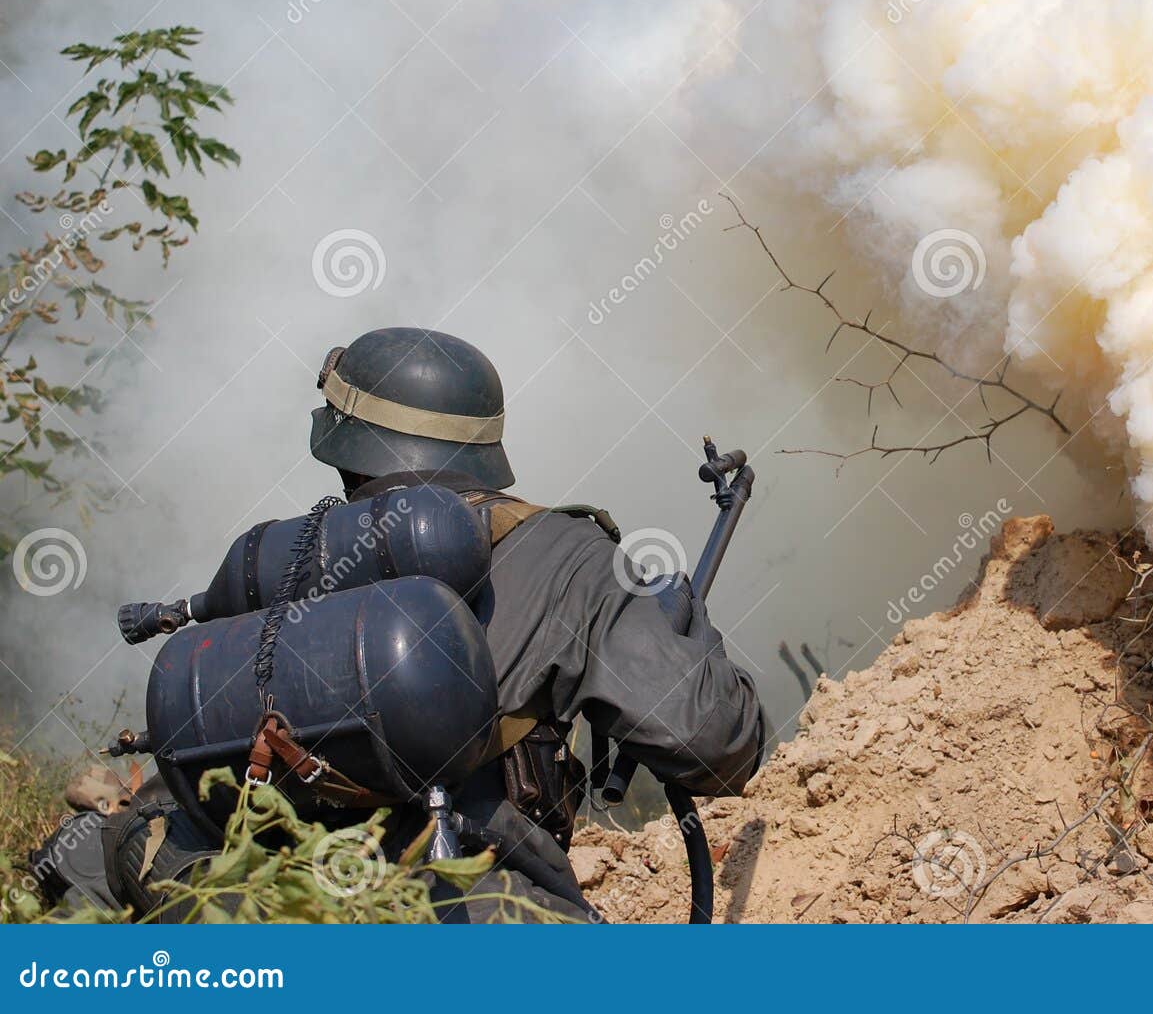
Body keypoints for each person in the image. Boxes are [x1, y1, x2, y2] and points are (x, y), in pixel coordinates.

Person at [41, 326, 765, 923]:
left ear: (345, 444)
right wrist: (679, 622)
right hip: (447, 898)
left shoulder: (280, 562)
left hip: (248, 888)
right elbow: (715, 747)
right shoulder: (568, 557)